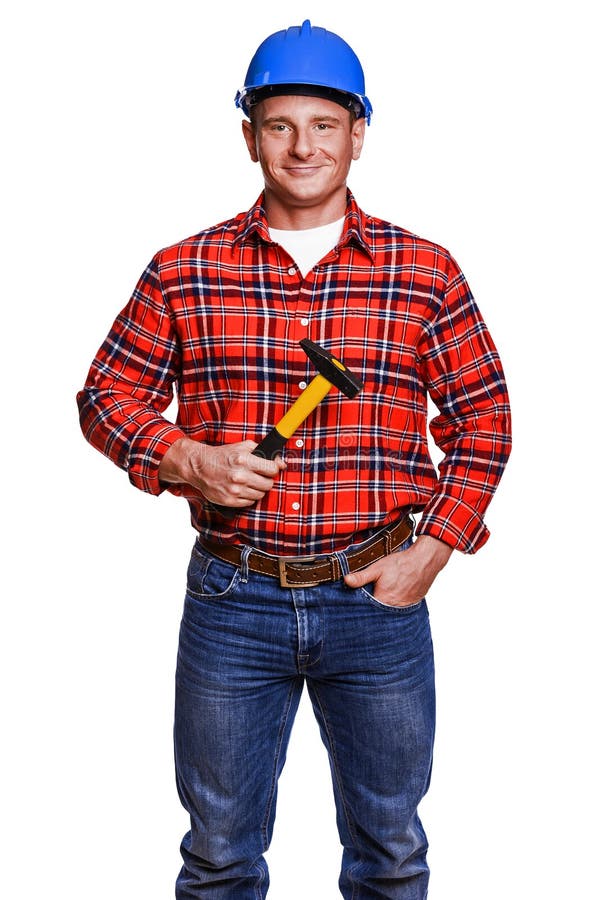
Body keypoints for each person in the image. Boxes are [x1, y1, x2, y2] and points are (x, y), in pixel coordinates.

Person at [77, 18, 511, 900]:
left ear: (358, 134)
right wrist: (185, 456)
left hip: (374, 600)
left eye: (323, 124)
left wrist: (433, 550)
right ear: (249, 137)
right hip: (232, 599)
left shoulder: (422, 273)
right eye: (279, 125)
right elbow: (104, 398)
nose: (302, 145)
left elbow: (485, 420)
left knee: (390, 851)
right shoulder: (184, 269)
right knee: (219, 855)